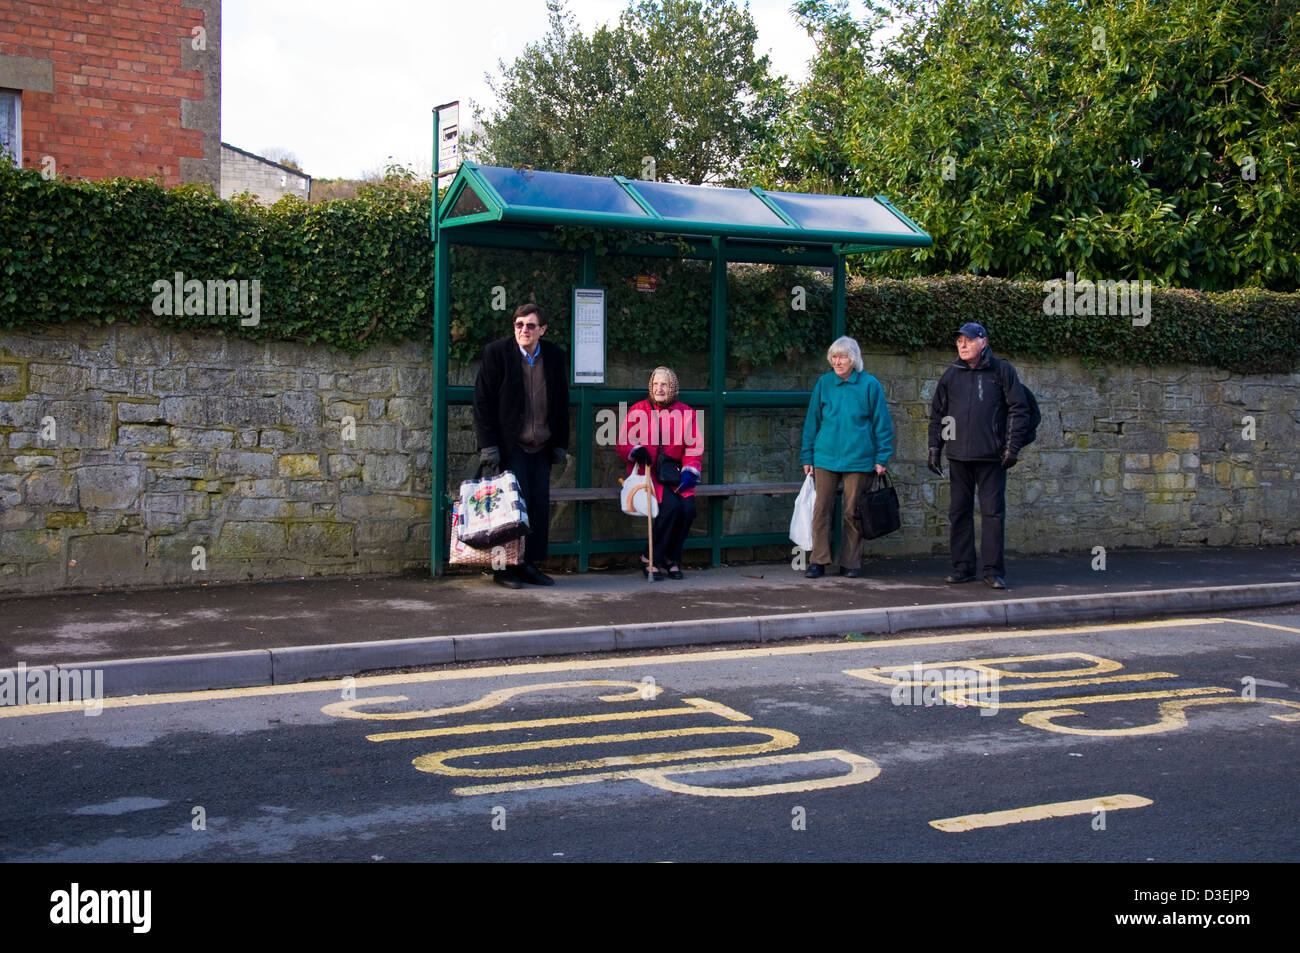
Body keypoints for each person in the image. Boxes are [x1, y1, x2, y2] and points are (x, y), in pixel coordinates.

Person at [472, 303, 571, 588]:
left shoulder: (553, 356)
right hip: (509, 444)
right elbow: (482, 402)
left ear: (542, 330)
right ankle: (504, 569)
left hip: (540, 444)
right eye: (519, 324)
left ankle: (529, 565)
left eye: (530, 325)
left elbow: (562, 403)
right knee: (509, 509)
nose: (524, 330)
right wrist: (488, 445)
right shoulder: (497, 353)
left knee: (538, 506)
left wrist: (560, 442)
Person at [927, 322, 1030, 589]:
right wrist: (934, 449)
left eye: (969, 340)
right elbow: (939, 414)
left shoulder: (1001, 370)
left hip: (991, 457)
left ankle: (993, 571)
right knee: (958, 512)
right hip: (958, 456)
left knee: (992, 513)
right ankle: (962, 567)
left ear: (983, 341)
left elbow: (1019, 410)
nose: (962, 345)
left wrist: (1011, 448)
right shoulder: (952, 374)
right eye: (959, 340)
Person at [799, 336, 894, 579]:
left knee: (853, 511)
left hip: (859, 459)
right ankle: (818, 561)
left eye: (842, 356)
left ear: (854, 359)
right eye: (834, 356)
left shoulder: (870, 385)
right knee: (820, 509)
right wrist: (807, 455)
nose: (837, 361)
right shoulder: (824, 383)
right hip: (825, 457)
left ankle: (850, 562)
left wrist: (882, 457)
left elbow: (882, 424)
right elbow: (812, 422)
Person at [617, 367, 703, 580]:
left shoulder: (687, 412)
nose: (659, 388)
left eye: (664, 384)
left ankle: (670, 558)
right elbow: (622, 443)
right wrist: (636, 450)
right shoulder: (639, 410)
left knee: (688, 509)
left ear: (672, 387)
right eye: (655, 384)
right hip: (648, 473)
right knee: (671, 508)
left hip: (675, 473)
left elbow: (693, 447)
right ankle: (649, 557)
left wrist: (690, 471)